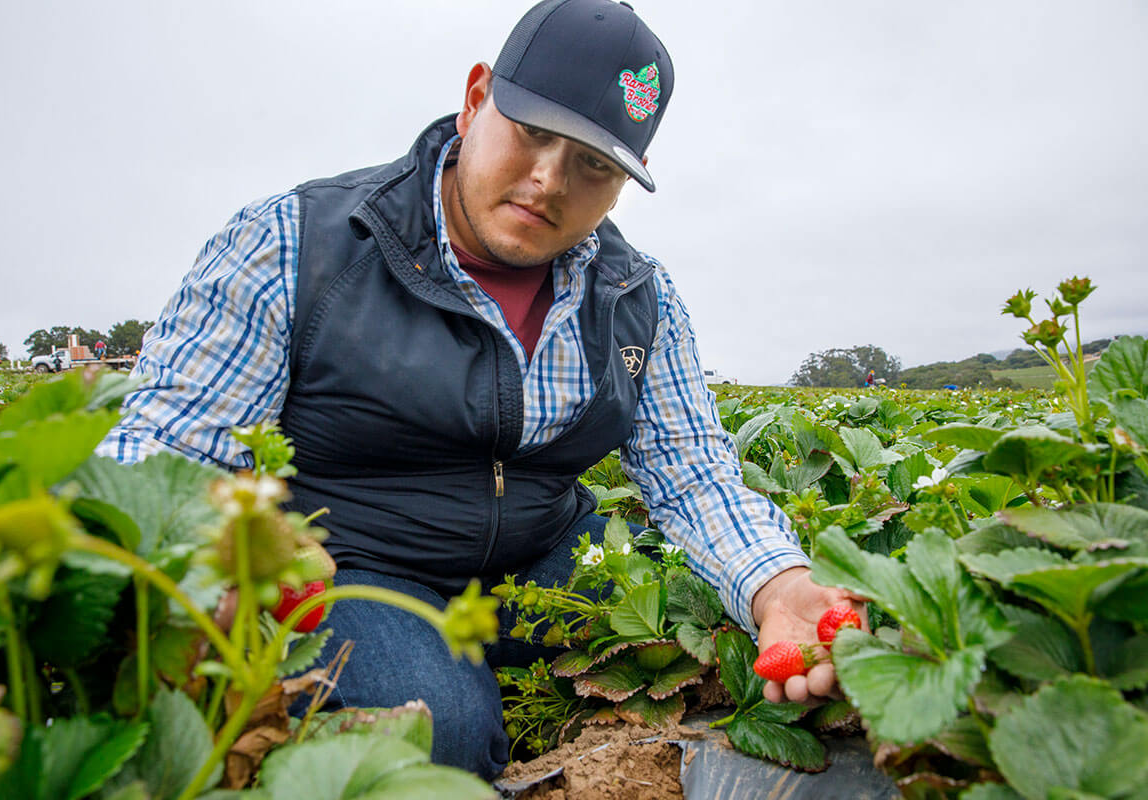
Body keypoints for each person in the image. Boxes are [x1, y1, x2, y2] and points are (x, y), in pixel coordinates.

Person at [96, 0, 861, 778]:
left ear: (624, 183)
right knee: (435, 737)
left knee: (711, 639)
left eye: (594, 164)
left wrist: (777, 585)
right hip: (359, 568)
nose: (548, 182)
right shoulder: (300, 243)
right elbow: (170, 454)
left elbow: (693, 473)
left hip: (548, 557)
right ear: (474, 100)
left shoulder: (636, 294)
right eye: (533, 133)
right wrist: (208, 571)